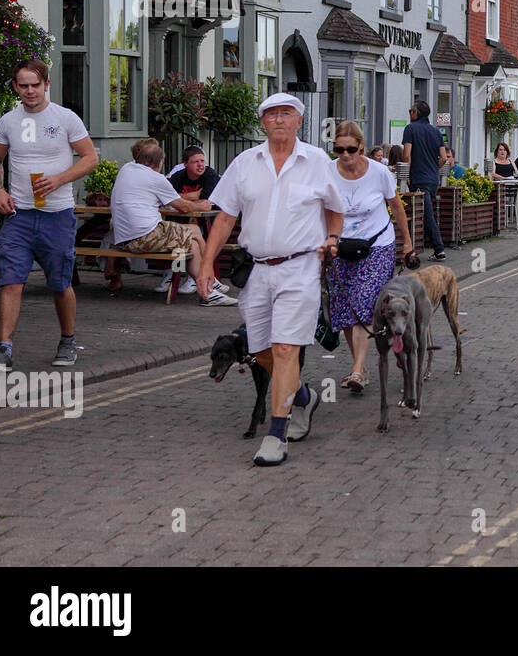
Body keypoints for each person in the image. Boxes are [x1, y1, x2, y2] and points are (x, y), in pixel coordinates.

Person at [197, 93, 344, 467]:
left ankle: (276, 436)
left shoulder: (317, 163)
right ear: (263, 122)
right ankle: (303, 398)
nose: (279, 120)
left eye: (286, 114)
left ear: (299, 120)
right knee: (261, 352)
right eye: (271, 114)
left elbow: (335, 210)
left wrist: (332, 239)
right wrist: (206, 265)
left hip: (300, 268)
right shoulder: (245, 163)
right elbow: (226, 217)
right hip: (257, 270)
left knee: (284, 350)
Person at [0, 58, 99, 372]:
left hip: (57, 215)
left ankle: (67, 340)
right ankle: (4, 349)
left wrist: (60, 178)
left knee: (60, 284)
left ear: (47, 85)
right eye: (23, 85)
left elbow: (90, 158)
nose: (30, 91)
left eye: (36, 85)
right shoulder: (8, 121)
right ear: (15, 87)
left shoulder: (65, 118)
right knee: (11, 281)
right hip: (19, 216)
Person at [327, 121, 413, 395]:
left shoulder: (378, 172)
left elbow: (396, 206)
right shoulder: (327, 172)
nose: (345, 154)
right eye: (338, 149)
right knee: (343, 308)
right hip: (340, 246)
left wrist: (407, 242)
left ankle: (357, 368)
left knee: (363, 301)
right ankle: (360, 366)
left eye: (350, 149)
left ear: (361, 147)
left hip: (377, 244)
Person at [112, 138, 236, 306]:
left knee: (191, 242)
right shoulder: (155, 178)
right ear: (158, 163)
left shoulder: (126, 169)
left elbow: (174, 200)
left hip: (125, 239)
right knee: (194, 230)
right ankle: (210, 279)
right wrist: (202, 206)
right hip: (143, 237)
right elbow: (183, 207)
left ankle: (208, 292)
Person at [401, 100, 449, 261]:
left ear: (416, 113)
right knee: (426, 213)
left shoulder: (410, 129)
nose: (409, 113)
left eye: (410, 110)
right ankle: (431, 247)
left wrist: (405, 175)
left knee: (427, 215)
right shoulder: (435, 131)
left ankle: (439, 249)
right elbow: (444, 158)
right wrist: (433, 167)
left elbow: (407, 155)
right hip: (433, 179)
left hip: (418, 178)